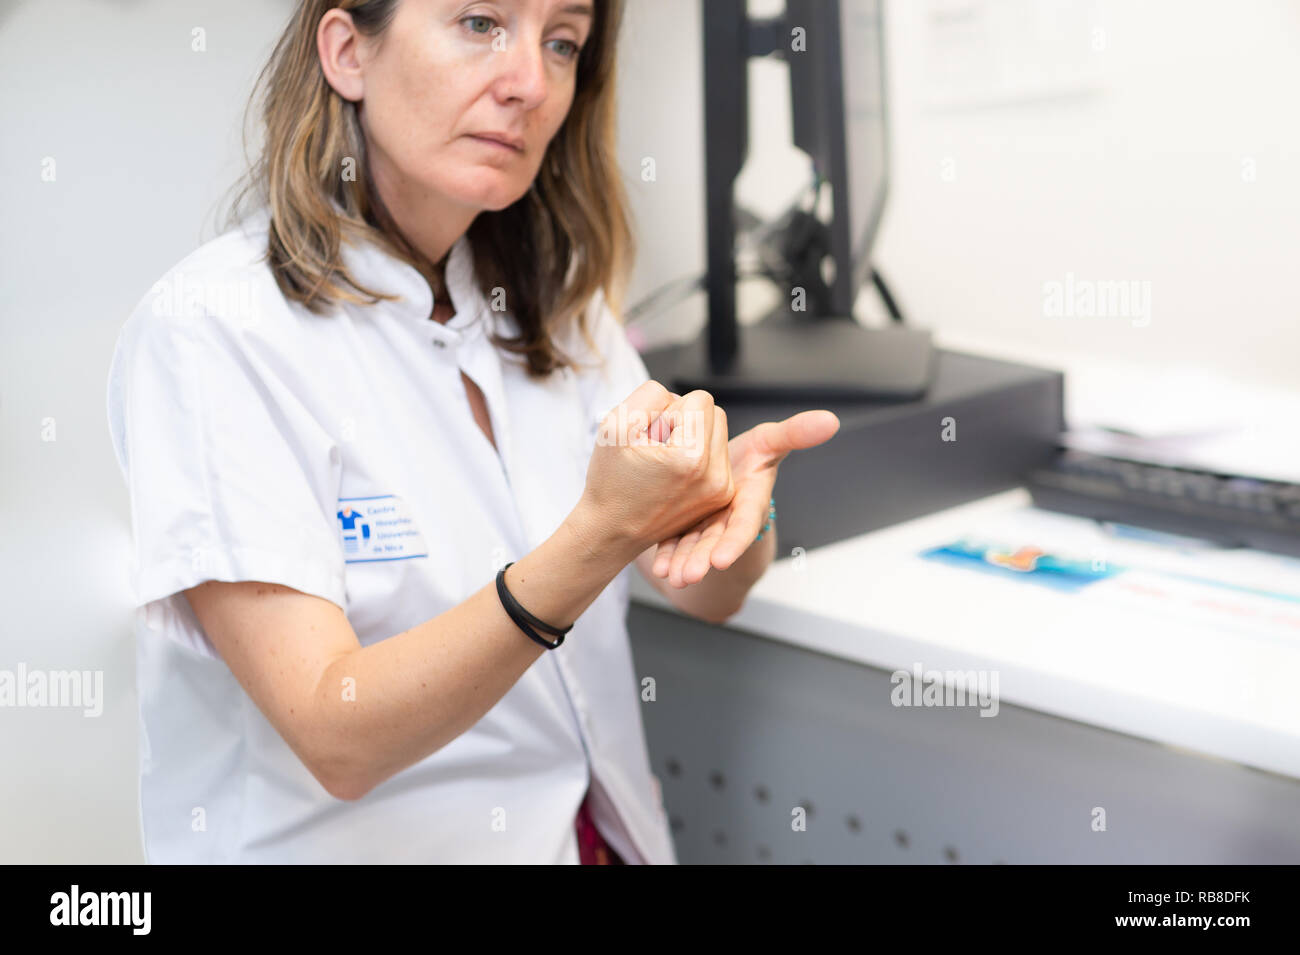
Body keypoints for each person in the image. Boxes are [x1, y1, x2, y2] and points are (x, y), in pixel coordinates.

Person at [105, 0, 840, 864]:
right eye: (481, 23)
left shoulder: (555, 300)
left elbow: (706, 591)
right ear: (347, 52)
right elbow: (336, 733)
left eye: (562, 43)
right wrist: (599, 535)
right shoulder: (217, 332)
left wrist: (733, 517)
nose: (529, 82)